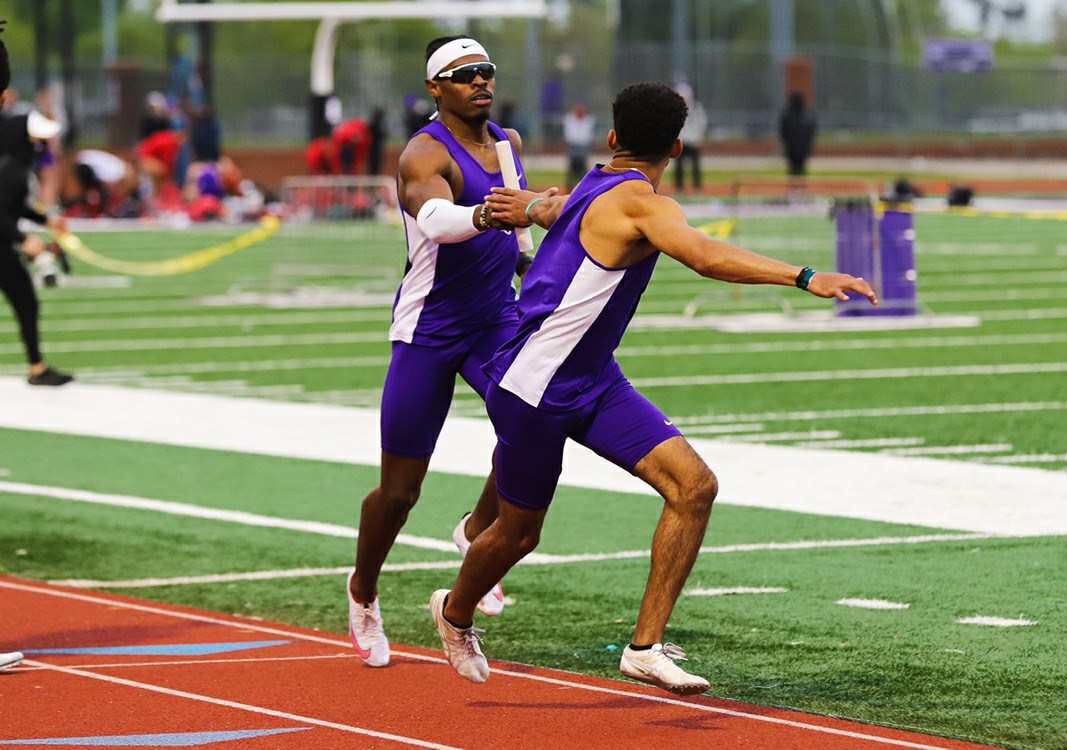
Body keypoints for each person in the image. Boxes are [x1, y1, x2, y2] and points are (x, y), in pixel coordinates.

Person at [431, 82, 877, 694]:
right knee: (519, 533)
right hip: (533, 385)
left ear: (612, 139)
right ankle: (454, 613)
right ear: (676, 146)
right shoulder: (644, 204)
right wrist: (806, 276)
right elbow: (704, 256)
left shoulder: (592, 180)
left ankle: (645, 648)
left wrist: (529, 203)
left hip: (591, 380)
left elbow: (558, 208)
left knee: (694, 487)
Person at [347, 35, 534, 669]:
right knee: (399, 493)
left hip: (494, 321)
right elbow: (437, 221)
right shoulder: (423, 153)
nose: (480, 82)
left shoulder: (506, 144)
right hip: (428, 328)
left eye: (486, 71)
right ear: (436, 87)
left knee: (535, 421)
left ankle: (476, 530)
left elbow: (515, 228)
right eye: (463, 75)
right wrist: (486, 218)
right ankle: (364, 591)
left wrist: (534, 265)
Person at [0, 26, 73, 386]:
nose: (39, 144)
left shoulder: (15, 166)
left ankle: (37, 367)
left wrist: (46, 219)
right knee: (26, 300)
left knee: (26, 301)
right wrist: (23, 238)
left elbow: (14, 208)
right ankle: (37, 367)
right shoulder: (10, 168)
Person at [780, 91, 818, 200]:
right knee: (798, 170)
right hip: (800, 149)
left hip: (794, 148)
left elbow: (783, 132)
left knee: (795, 170)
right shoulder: (803, 115)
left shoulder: (794, 115)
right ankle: (798, 190)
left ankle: (796, 191)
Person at [673, 83, 705, 195]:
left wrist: (698, 137)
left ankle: (697, 189)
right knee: (679, 167)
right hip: (680, 141)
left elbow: (701, 123)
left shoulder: (696, 108)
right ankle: (679, 189)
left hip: (693, 141)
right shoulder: (675, 109)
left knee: (696, 166)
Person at [562, 103, 596, 191]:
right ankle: (569, 187)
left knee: (583, 168)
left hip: (584, 146)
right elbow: (568, 134)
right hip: (573, 146)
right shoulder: (569, 120)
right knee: (572, 168)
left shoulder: (588, 121)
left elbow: (589, 135)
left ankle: (583, 186)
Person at [366, 107, 387, 176]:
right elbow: (382, 135)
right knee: (374, 166)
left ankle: (372, 182)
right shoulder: (377, 125)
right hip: (374, 148)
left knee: (373, 167)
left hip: (372, 148)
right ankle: (372, 183)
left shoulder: (372, 124)